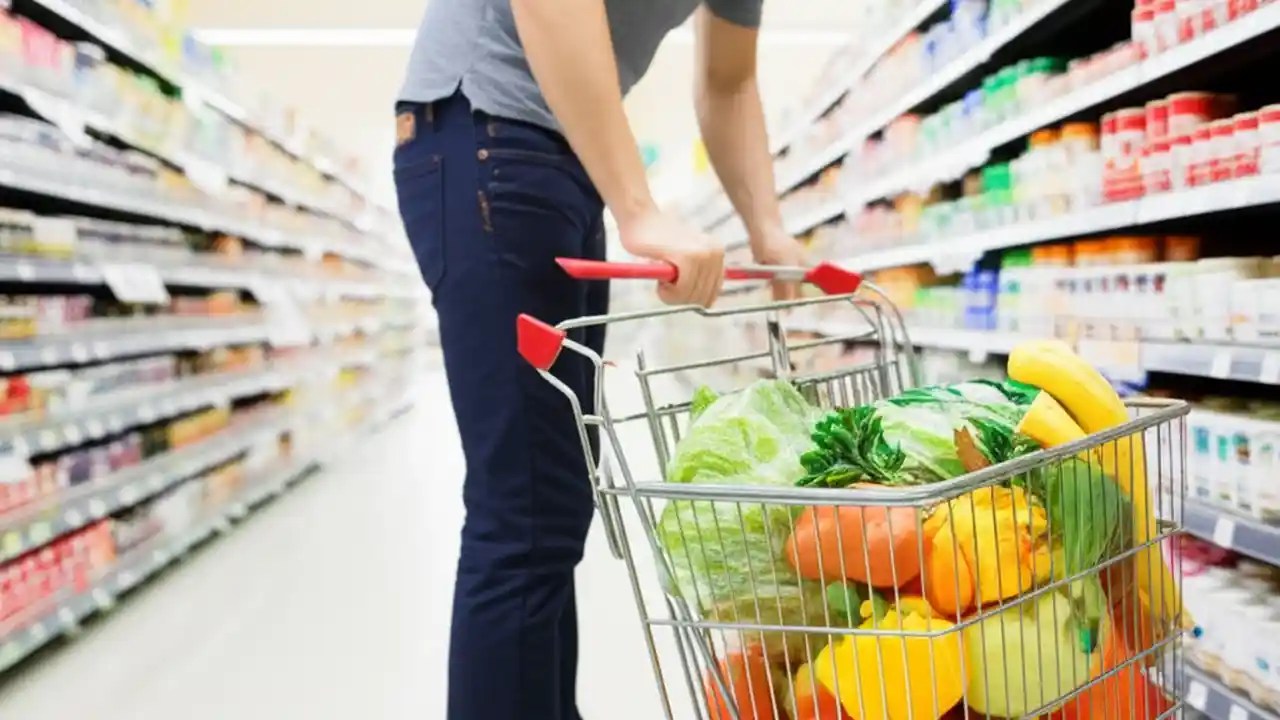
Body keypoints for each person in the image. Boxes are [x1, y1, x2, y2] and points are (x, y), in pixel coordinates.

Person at [393, 1, 806, 717]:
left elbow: (730, 80)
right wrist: (637, 208)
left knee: (552, 507)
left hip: (557, 157)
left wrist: (768, 230)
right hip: (488, 130)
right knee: (522, 508)